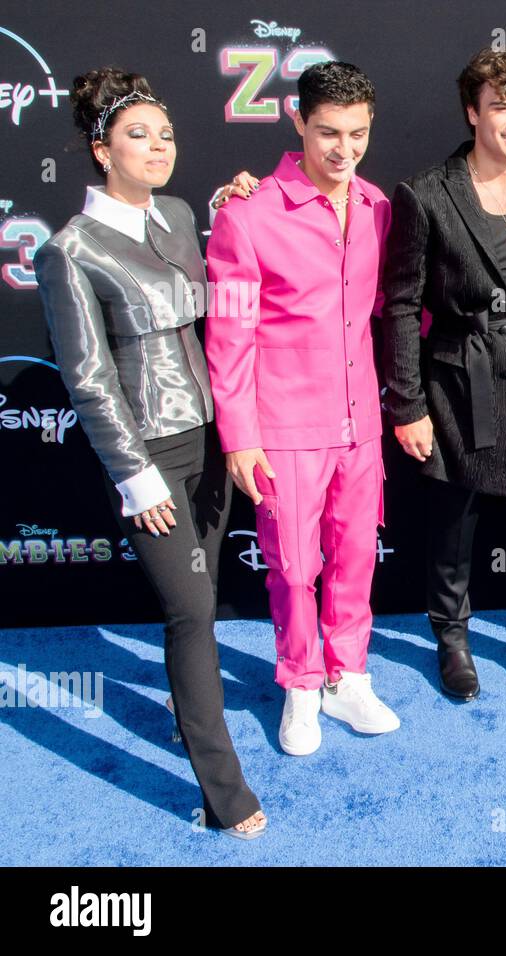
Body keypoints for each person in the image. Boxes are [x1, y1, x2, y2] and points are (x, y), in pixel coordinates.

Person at [35, 68, 265, 837]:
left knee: (194, 609)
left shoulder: (172, 214)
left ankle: (182, 713)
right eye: (139, 135)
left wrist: (227, 214)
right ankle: (224, 794)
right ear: (102, 150)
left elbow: (202, 301)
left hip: (208, 439)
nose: (159, 146)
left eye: (166, 134)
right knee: (193, 611)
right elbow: (89, 377)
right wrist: (132, 474)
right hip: (149, 457)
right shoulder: (68, 251)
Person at [205, 60, 400, 756]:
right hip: (284, 425)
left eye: (357, 134)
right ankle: (299, 680)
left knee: (354, 558)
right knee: (292, 567)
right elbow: (229, 336)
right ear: (297, 123)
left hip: (362, 424)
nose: (343, 150)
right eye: (327, 134)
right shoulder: (246, 216)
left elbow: (394, 309)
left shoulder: (378, 207)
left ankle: (348, 674)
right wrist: (239, 436)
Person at [381, 48, 506, 700]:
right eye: (501, 107)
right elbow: (401, 305)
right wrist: (406, 405)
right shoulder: (427, 195)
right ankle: (452, 640)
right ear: (472, 111)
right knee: (453, 523)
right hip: (460, 378)